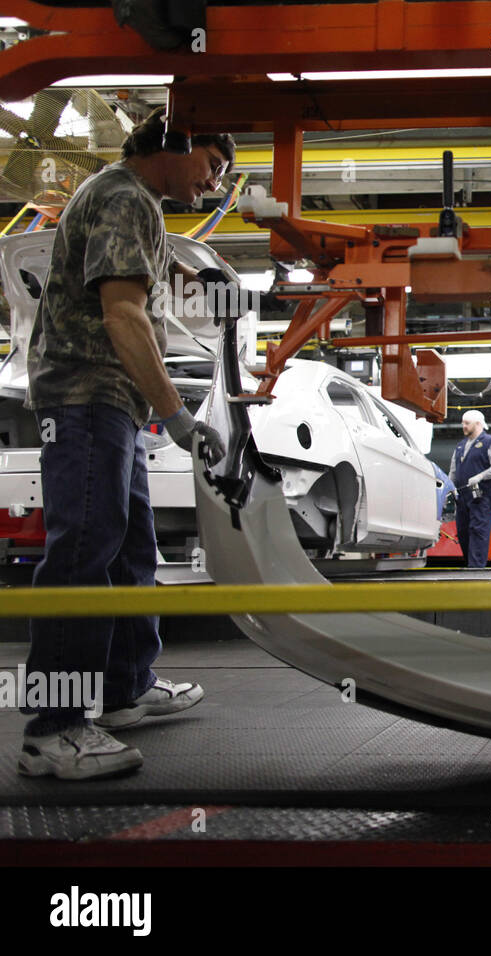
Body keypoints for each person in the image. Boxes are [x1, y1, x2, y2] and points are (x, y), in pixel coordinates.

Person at [19, 108, 236, 780]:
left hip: (111, 402)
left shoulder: (132, 199)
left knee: (130, 545)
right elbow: (123, 312)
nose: (214, 187)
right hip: (85, 396)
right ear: (175, 143)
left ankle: (122, 689)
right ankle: (51, 731)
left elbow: (137, 288)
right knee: (84, 548)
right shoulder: (122, 196)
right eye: (212, 168)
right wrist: (176, 417)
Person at [448, 409, 491, 568]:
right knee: (463, 532)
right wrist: (448, 489)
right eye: (463, 423)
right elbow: (453, 471)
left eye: (467, 423)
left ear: (478, 424)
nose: (463, 426)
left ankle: (475, 570)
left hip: (480, 497)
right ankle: (470, 566)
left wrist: (481, 476)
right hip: (462, 497)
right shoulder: (460, 447)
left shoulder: (490, 443)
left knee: (478, 531)